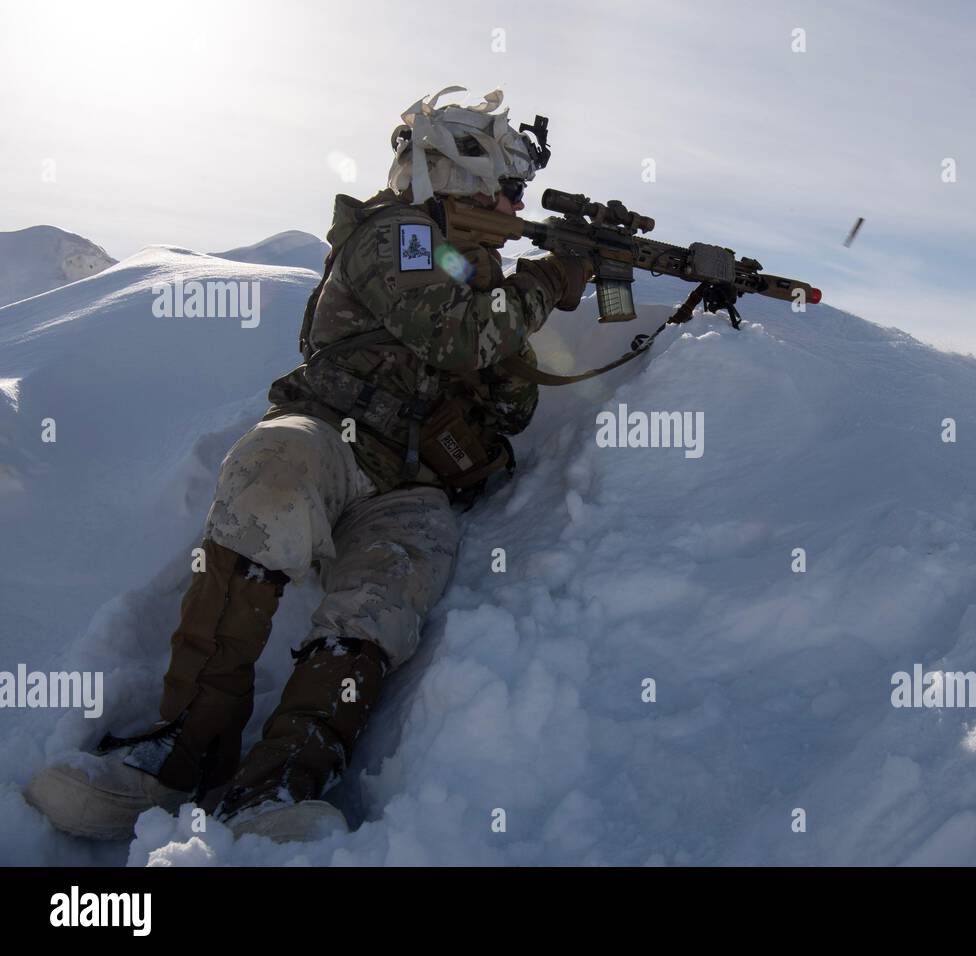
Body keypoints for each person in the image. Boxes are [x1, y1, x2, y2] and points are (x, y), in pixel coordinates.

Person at [24, 86, 592, 843]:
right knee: (274, 470)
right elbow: (454, 337)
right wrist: (548, 280)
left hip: (411, 484)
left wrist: (512, 344)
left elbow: (498, 388)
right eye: (507, 187)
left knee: (391, 588)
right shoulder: (400, 235)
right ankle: (181, 748)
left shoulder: (469, 266)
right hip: (331, 438)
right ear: (454, 169)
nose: (516, 208)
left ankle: (283, 776)